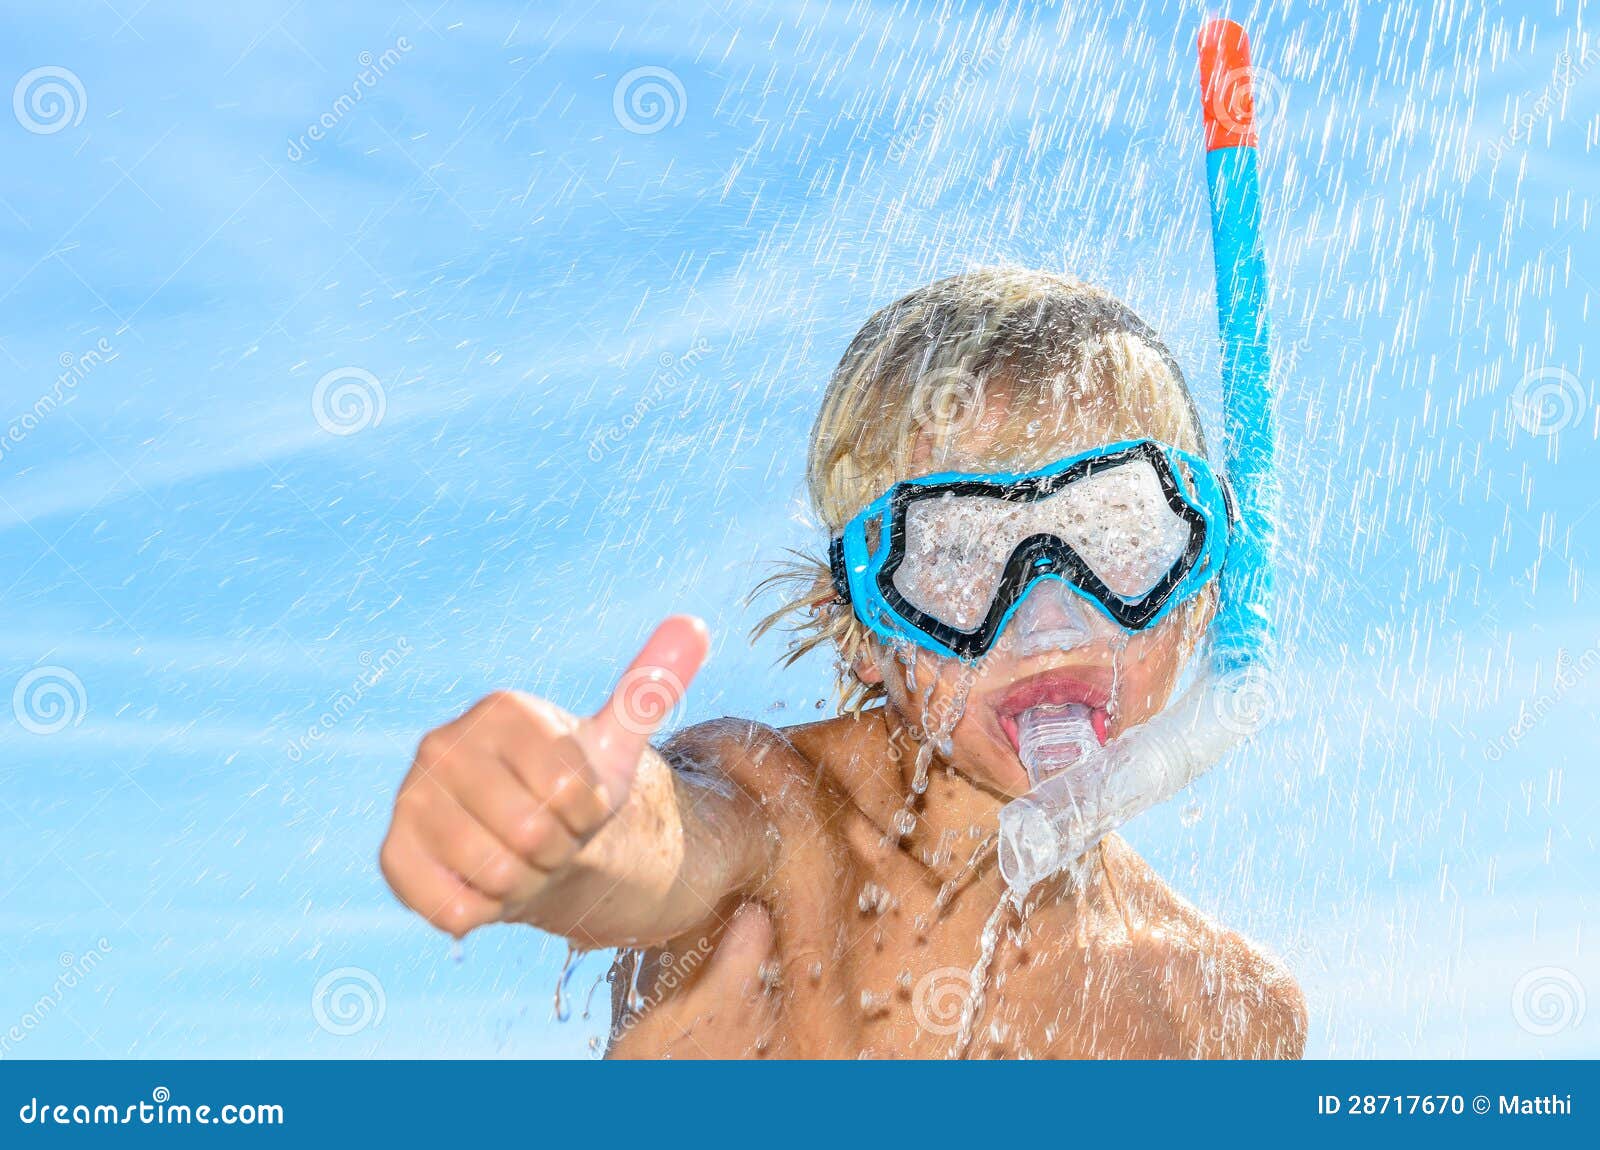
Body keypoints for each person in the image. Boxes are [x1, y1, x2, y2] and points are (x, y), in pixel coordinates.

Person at [379, 267, 1307, 1059]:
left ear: (1206, 580)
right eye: (957, 555)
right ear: (863, 626)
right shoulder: (782, 830)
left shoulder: (1229, 1015)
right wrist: (568, 829)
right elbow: (668, 836)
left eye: (1115, 536)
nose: (1050, 623)